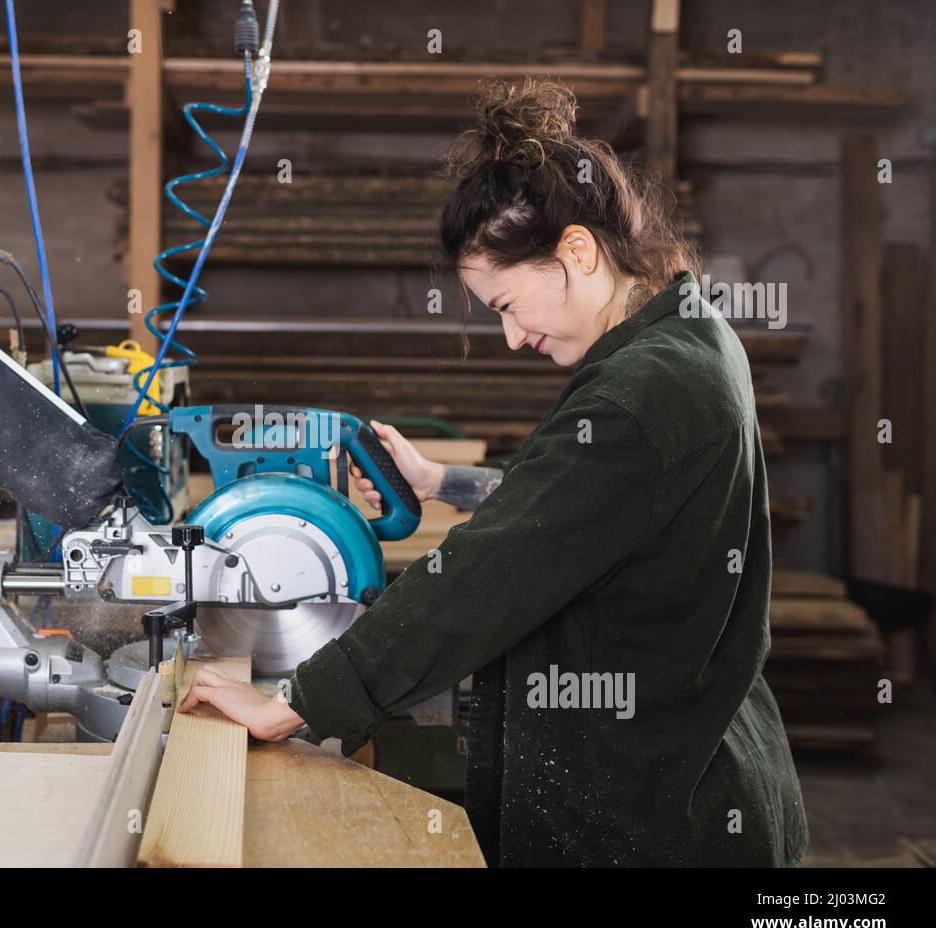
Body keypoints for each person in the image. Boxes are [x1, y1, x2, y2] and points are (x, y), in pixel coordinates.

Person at [179, 78, 809, 867]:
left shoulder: (643, 392)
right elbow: (590, 503)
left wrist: (298, 701)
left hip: (656, 814)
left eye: (510, 304)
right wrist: (444, 480)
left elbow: (484, 575)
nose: (512, 338)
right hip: (702, 754)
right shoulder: (690, 335)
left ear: (577, 251)